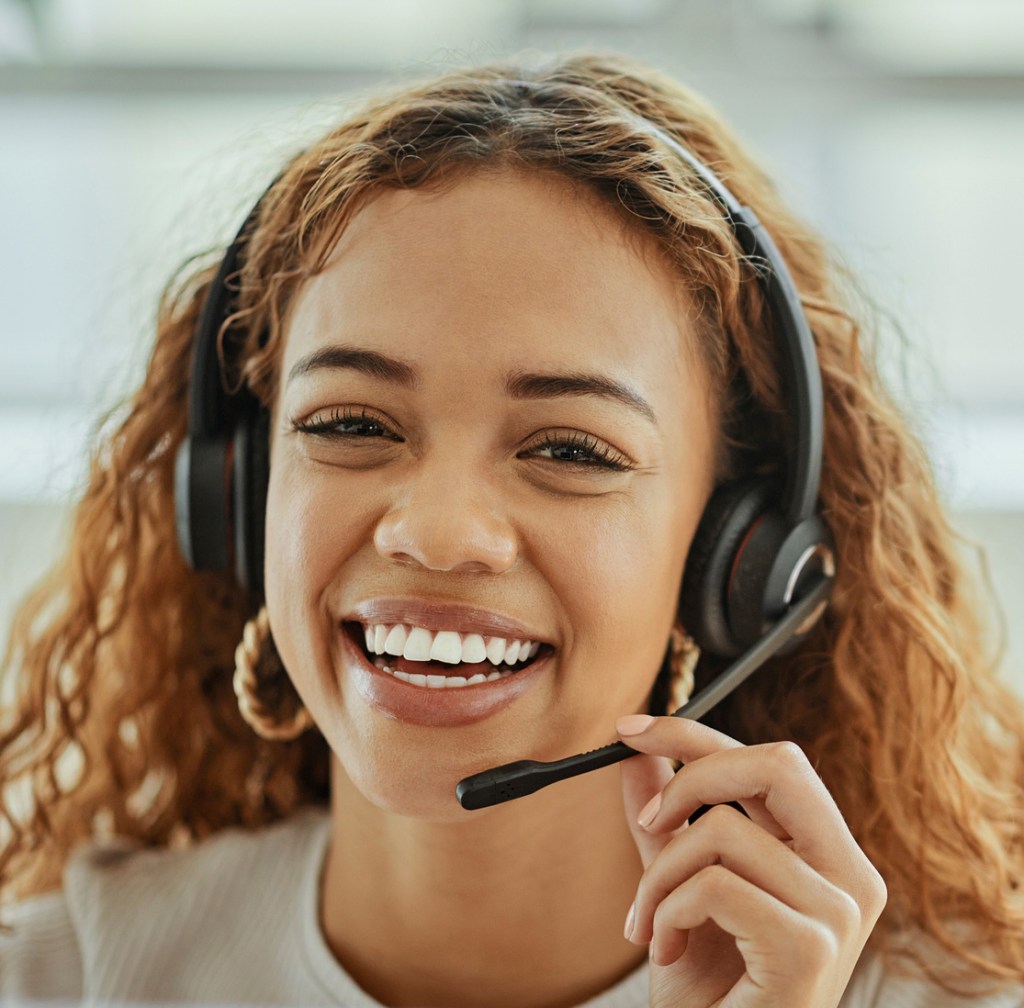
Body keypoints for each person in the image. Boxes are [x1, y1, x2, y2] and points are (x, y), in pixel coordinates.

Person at [1, 51, 1022, 1008]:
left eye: (571, 449)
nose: (438, 534)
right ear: (237, 493)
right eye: (350, 425)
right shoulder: (66, 973)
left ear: (740, 554)